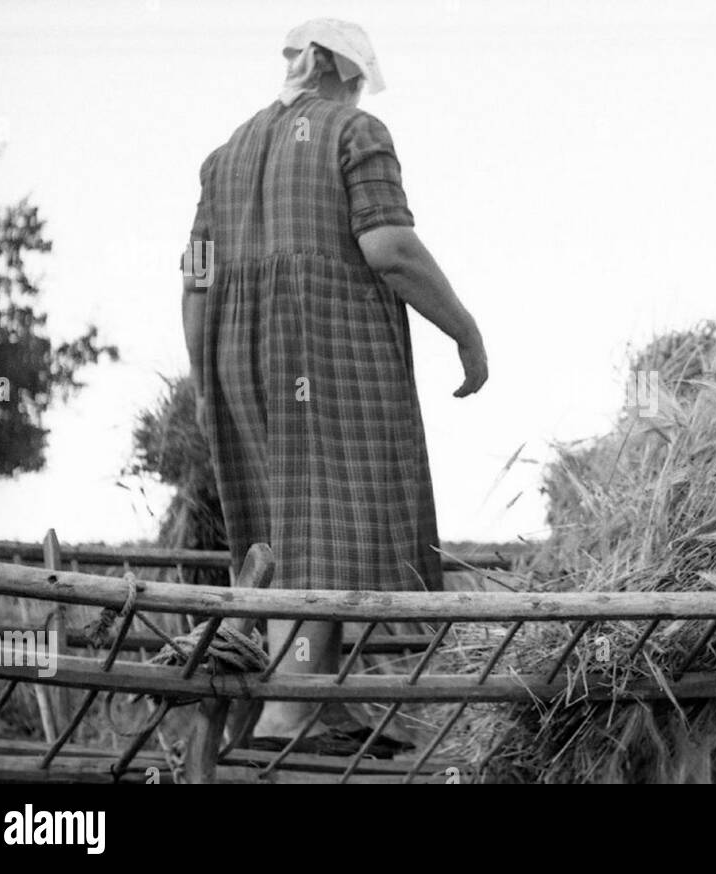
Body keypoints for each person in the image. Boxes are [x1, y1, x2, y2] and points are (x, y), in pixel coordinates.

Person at [180, 18, 486, 754]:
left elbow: (195, 277)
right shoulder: (357, 133)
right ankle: (293, 712)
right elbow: (389, 247)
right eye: (352, 81)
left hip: (234, 352)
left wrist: (203, 377)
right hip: (324, 342)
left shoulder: (222, 159)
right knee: (328, 513)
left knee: (284, 521)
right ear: (328, 65)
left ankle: (315, 699)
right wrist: (465, 331)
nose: (354, 95)